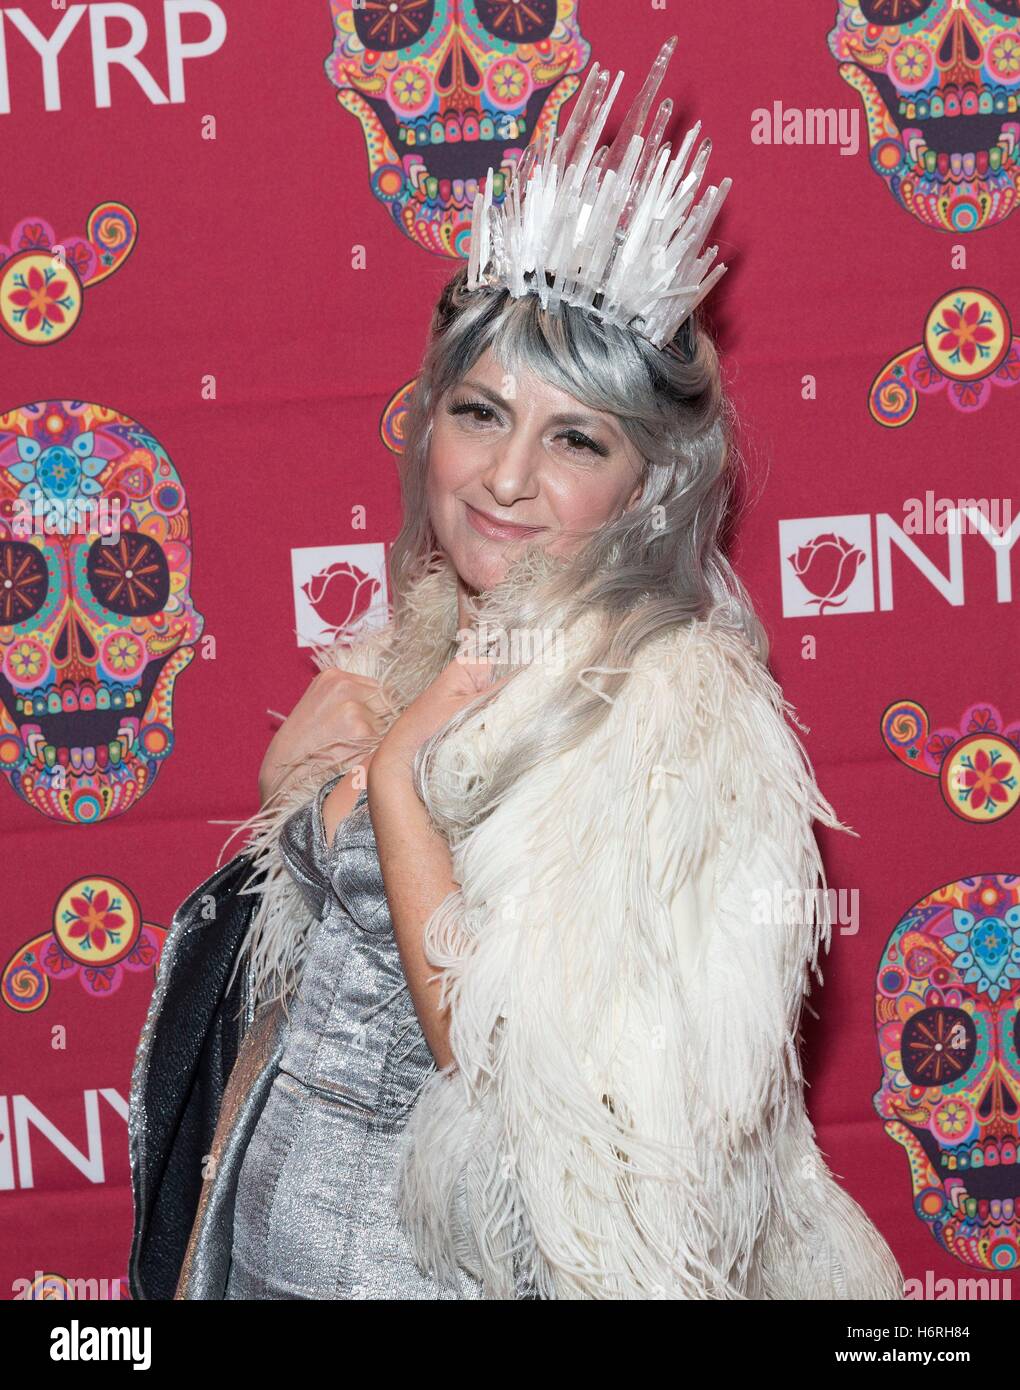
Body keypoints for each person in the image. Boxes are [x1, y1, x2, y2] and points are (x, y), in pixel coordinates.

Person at [128, 36, 905, 1300]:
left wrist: (395, 788)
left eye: (574, 438)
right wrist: (305, 788)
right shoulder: (435, 640)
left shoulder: (663, 714)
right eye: (480, 411)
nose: (503, 476)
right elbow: (316, 983)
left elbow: (555, 1123)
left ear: (647, 487)